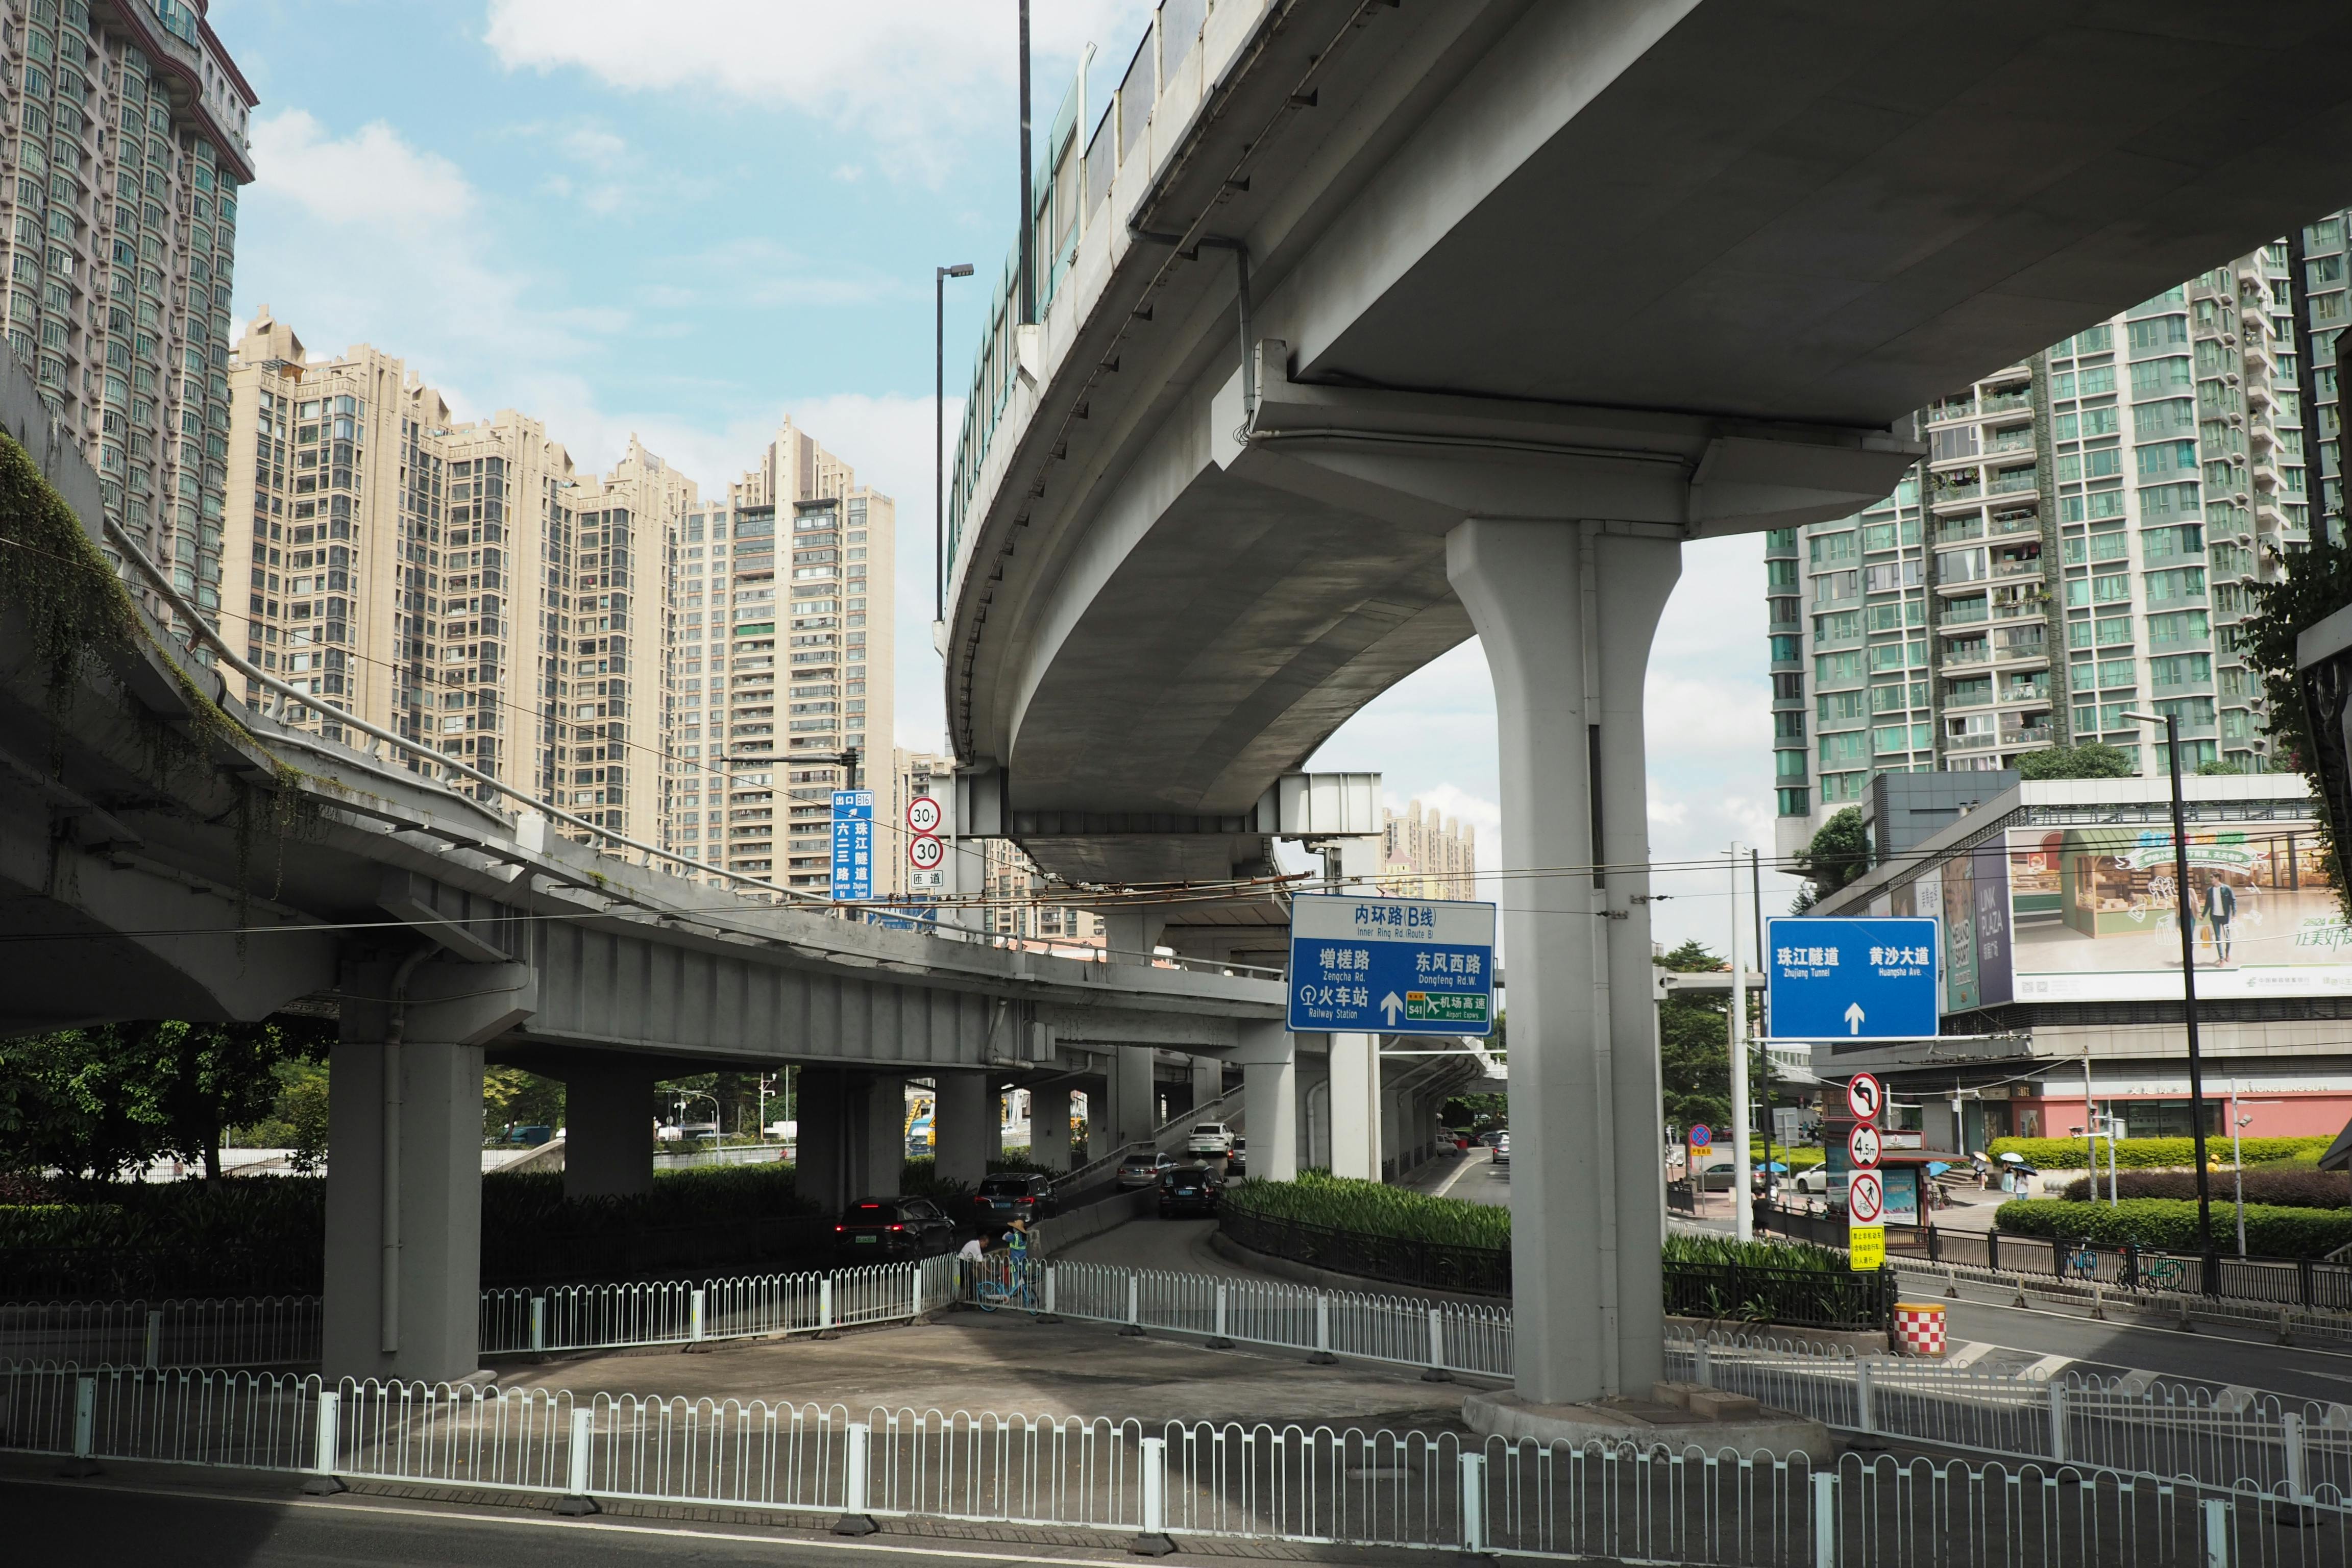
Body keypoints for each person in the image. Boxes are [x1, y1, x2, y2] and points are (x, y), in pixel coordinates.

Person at [2204, 876, 2238, 965]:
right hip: (2215, 917)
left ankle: (2227, 954)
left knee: (2227, 936)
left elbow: (2233, 901)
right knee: (2218, 938)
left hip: (2225, 917)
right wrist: (2203, 915)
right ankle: (2221, 959)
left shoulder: (2226, 888)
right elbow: (2207, 904)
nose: (2211, 879)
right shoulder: (2210, 891)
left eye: (2212, 878)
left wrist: (2234, 914)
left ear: (2217, 878)